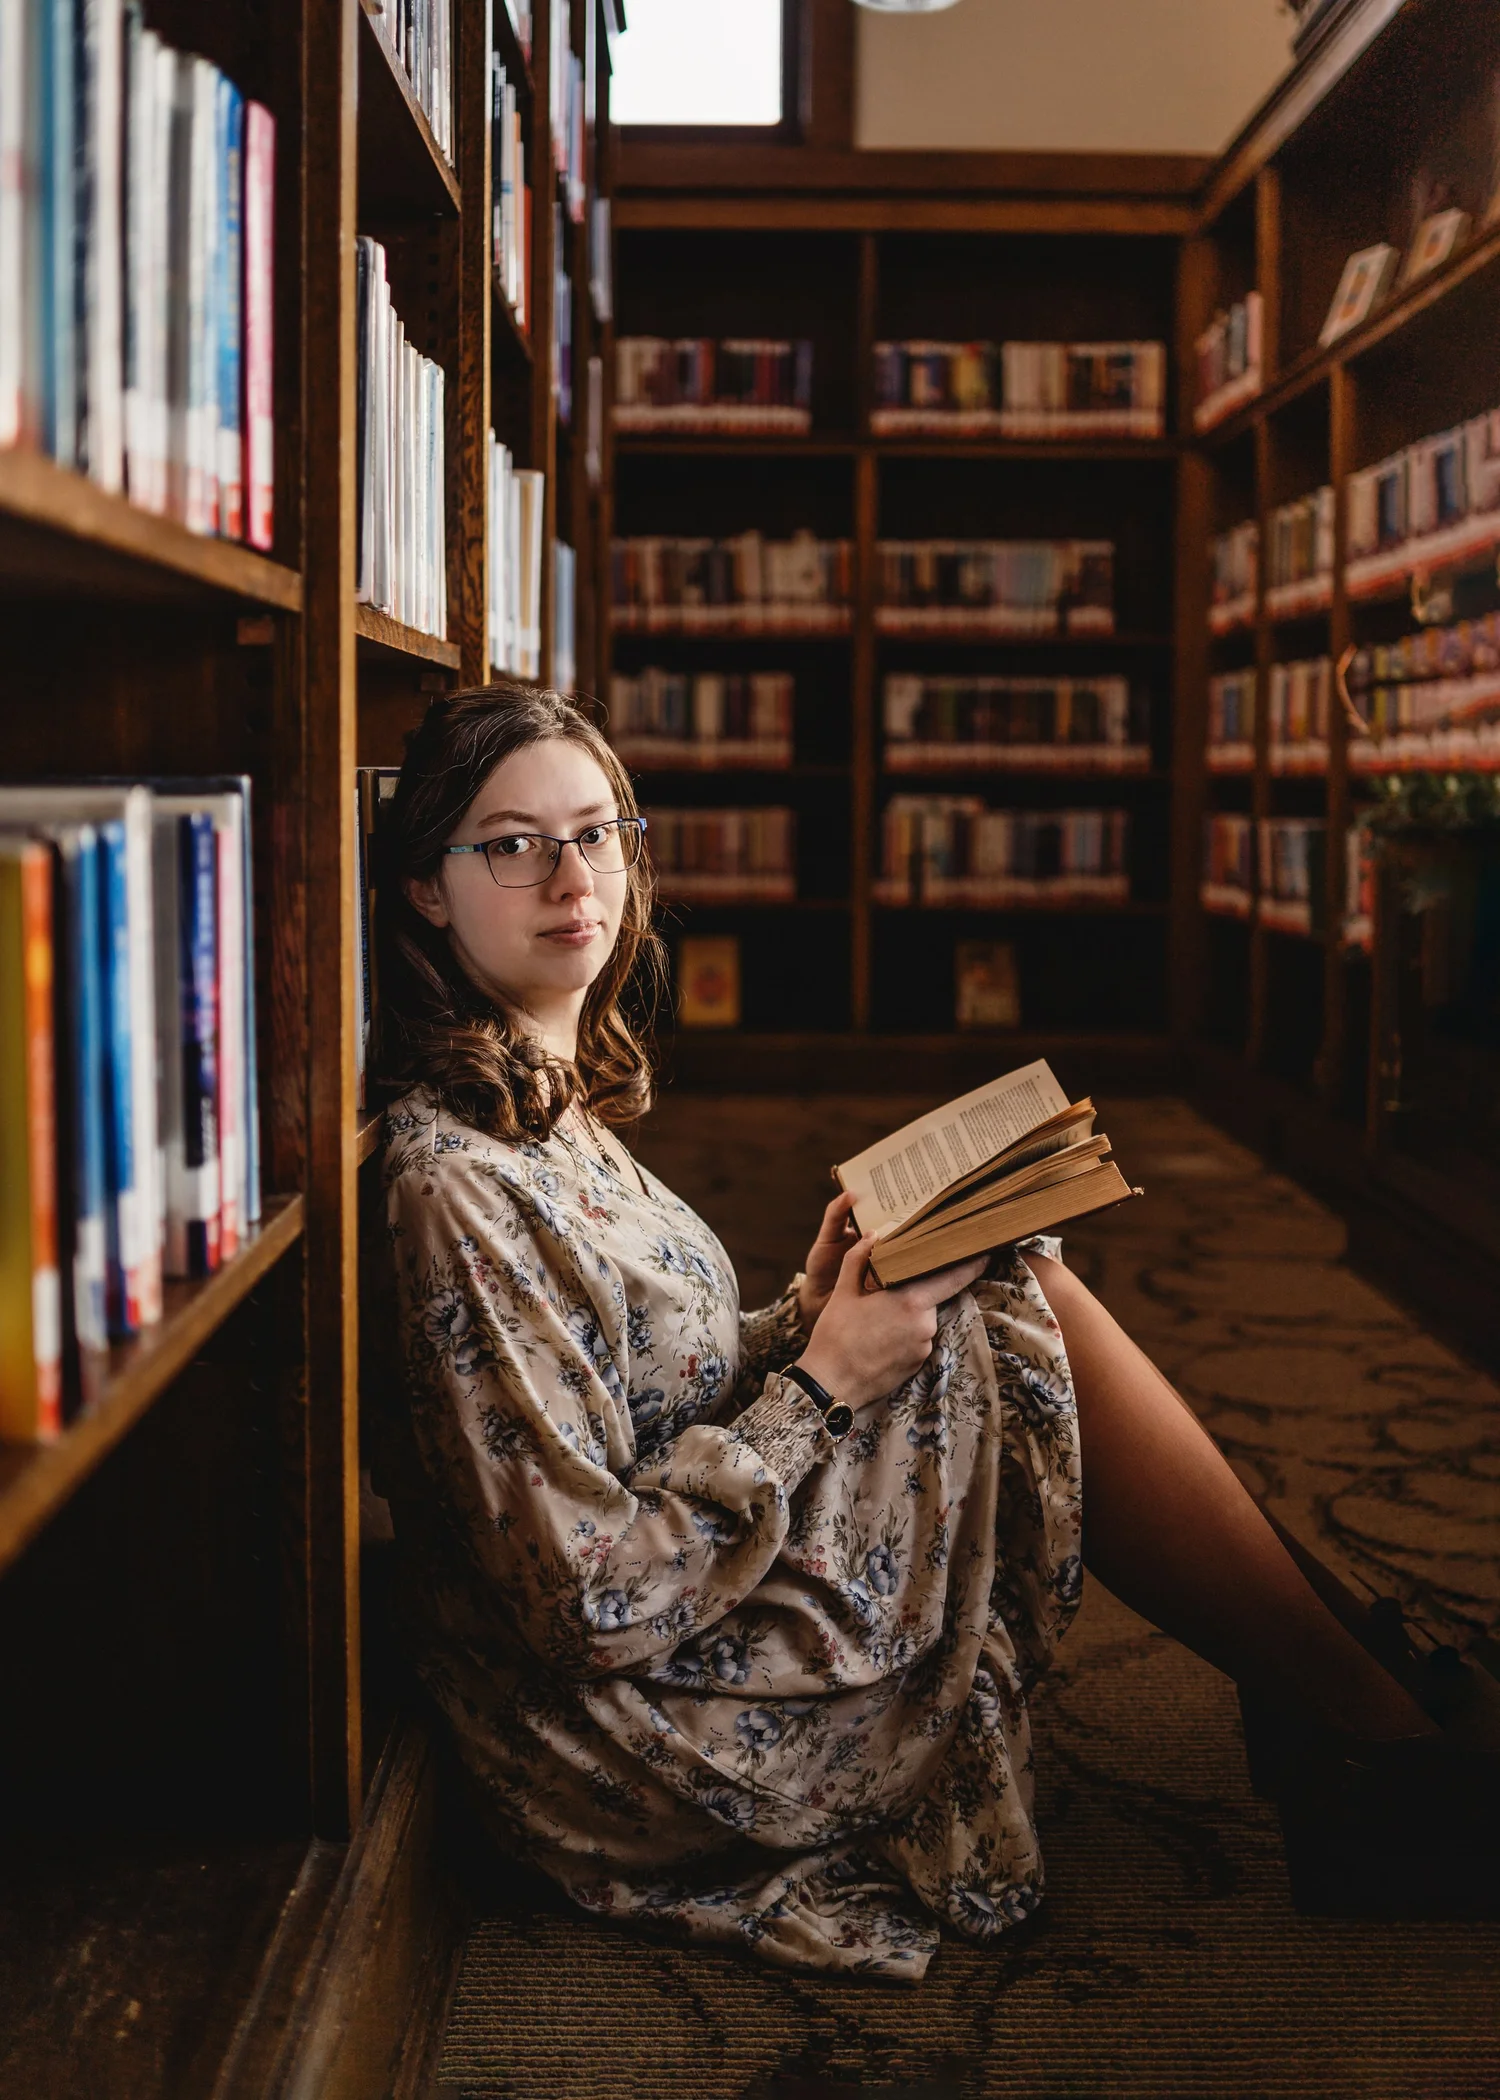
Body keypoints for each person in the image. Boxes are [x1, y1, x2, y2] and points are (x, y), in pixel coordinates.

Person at [368, 684, 1434, 1982]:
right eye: (512, 843)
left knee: (986, 1272)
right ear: (426, 884)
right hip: (633, 1731)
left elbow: (647, 1396)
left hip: (692, 1602)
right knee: (1003, 1311)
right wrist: (818, 1385)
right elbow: (589, 1607)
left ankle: (1355, 1690)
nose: (570, 876)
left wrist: (800, 1317)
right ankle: (1377, 1719)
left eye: (596, 832)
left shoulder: (544, 1100)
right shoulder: (453, 1190)